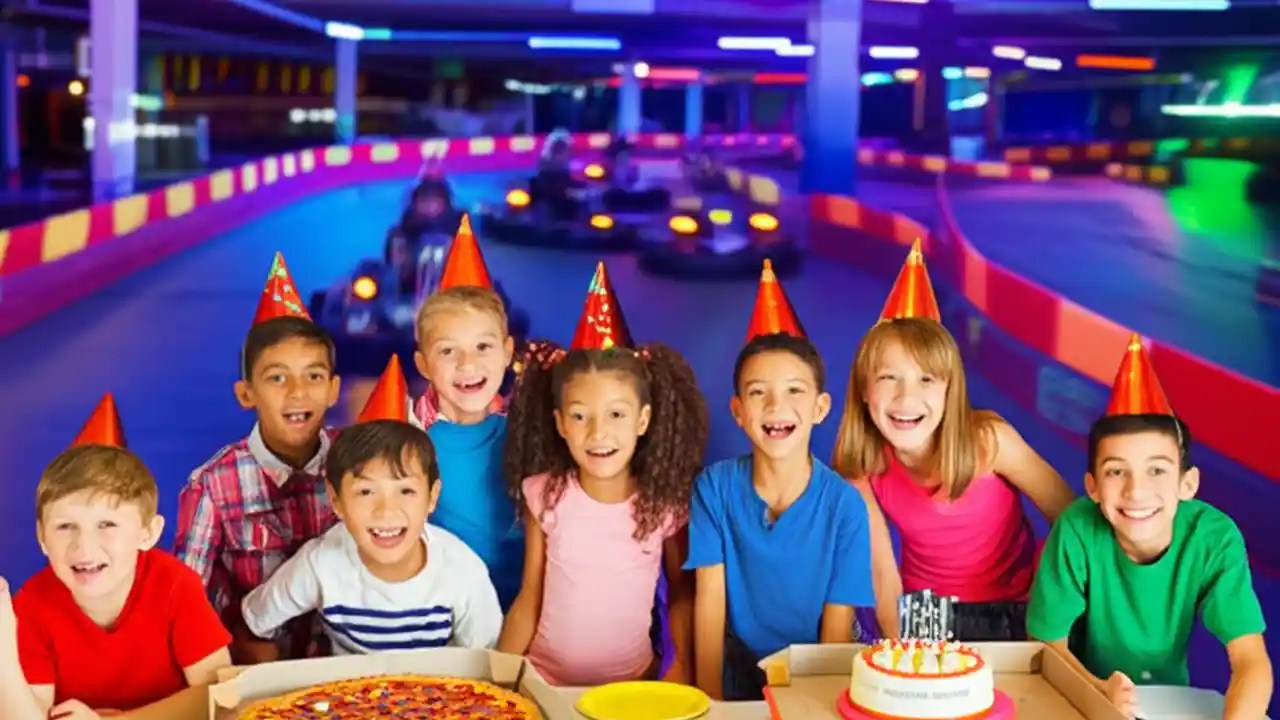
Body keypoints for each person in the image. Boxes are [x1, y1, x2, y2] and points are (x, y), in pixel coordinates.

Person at [831, 242, 1075, 641]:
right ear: (863, 390)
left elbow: (1070, 516)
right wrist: (901, 656)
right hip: (924, 609)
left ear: (950, 391)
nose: (906, 399)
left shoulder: (989, 442)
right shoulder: (862, 462)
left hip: (1016, 606)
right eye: (889, 378)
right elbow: (882, 572)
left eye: (926, 379)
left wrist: (1045, 596)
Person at [1028, 336, 1271, 720]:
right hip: (1083, 695)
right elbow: (1045, 642)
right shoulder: (1077, 530)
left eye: (1157, 470)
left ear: (1187, 484)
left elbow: (1250, 658)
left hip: (1173, 698)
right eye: (1116, 471)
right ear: (1092, 486)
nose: (1136, 491)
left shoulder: (1214, 539)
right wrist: (1095, 688)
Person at [498, 263, 707, 687]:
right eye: (580, 415)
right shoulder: (545, 496)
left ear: (643, 419)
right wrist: (496, 680)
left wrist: (682, 666)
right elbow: (529, 597)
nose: (598, 433)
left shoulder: (662, 506)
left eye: (616, 414)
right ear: (560, 424)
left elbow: (682, 593)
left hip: (631, 686)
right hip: (545, 683)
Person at [241, 359, 503, 654]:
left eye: (405, 490)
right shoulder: (320, 564)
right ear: (336, 500)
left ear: (431, 496)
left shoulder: (461, 571)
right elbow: (255, 622)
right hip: (345, 694)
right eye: (366, 491)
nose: (385, 510)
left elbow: (486, 660)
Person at [4, 395, 231, 719]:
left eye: (106, 524)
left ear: (147, 533)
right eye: (66, 526)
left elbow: (221, 695)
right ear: (42, 537)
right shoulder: (31, 605)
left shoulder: (175, 585)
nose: (84, 546)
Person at [687, 330, 875, 702]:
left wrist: (815, 702)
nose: (776, 406)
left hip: (817, 668)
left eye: (794, 391)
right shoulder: (714, 489)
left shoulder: (844, 507)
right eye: (758, 392)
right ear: (738, 411)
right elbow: (709, 600)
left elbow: (836, 630)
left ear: (820, 408)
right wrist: (709, 700)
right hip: (739, 666)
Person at [174, 252, 342, 663]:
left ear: (334, 390)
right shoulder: (212, 486)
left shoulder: (357, 463)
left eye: (313, 376)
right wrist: (230, 647)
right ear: (246, 394)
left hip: (347, 664)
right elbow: (187, 599)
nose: (298, 392)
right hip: (252, 665)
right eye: (277, 378)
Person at [410, 223, 523, 609]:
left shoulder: (532, 432)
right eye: (447, 351)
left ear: (508, 353)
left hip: (527, 606)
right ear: (423, 365)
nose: (467, 363)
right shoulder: (412, 440)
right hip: (446, 610)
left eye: (482, 347)